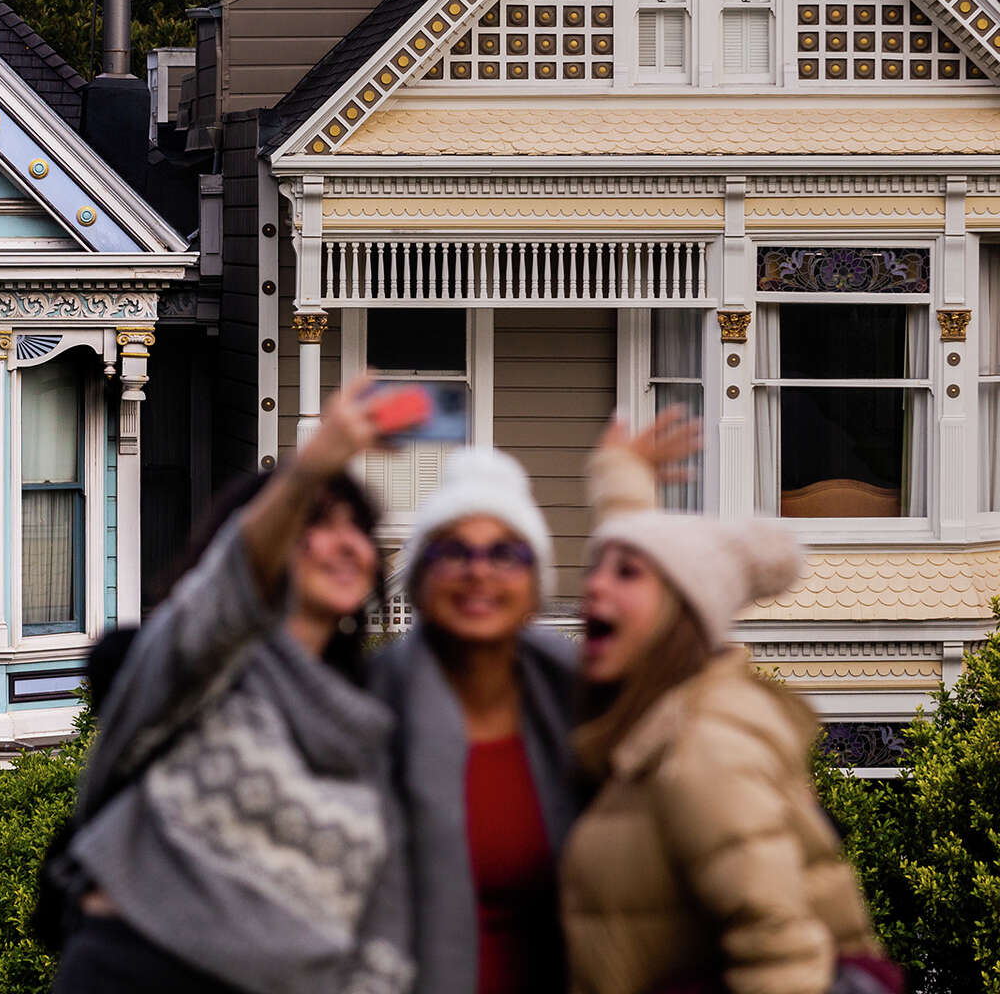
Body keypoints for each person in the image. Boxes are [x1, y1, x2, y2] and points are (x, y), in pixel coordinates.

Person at [47, 373, 413, 994]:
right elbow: (222, 600)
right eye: (317, 523)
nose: (346, 545)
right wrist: (311, 467)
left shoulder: (372, 718)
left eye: (359, 528)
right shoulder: (193, 667)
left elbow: (381, 923)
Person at [558, 425, 893, 994]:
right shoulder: (659, 722)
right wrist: (622, 480)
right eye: (596, 566)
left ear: (679, 618)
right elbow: (661, 559)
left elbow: (783, 957)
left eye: (625, 573)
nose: (593, 587)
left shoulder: (705, 746)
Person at [370, 415, 698, 994]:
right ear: (420, 578)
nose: (478, 572)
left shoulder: (578, 705)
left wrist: (626, 499)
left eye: (505, 554)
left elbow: (664, 658)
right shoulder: (365, 707)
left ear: (535, 586)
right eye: (453, 551)